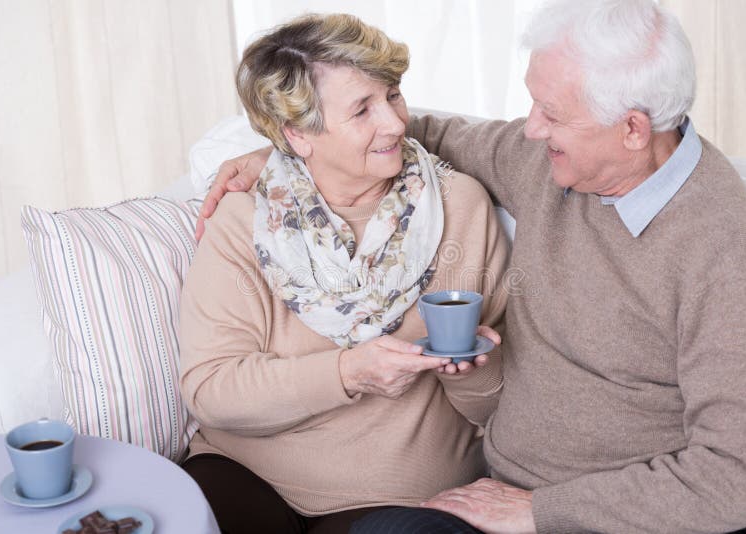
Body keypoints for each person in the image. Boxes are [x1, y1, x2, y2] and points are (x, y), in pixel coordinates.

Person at [198, 1, 746, 533]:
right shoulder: (550, 164)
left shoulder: (731, 253)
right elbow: (429, 133)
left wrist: (541, 511)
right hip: (498, 497)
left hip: (605, 518)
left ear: (632, 128)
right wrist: (287, 151)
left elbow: (733, 477)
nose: (532, 129)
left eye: (551, 114)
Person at [178, 12, 510, 534]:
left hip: (393, 499)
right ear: (297, 134)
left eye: (394, 94)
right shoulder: (247, 218)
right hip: (245, 475)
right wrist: (348, 373)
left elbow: (498, 409)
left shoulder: (459, 208)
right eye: (363, 110)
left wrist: (478, 370)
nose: (397, 123)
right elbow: (211, 388)